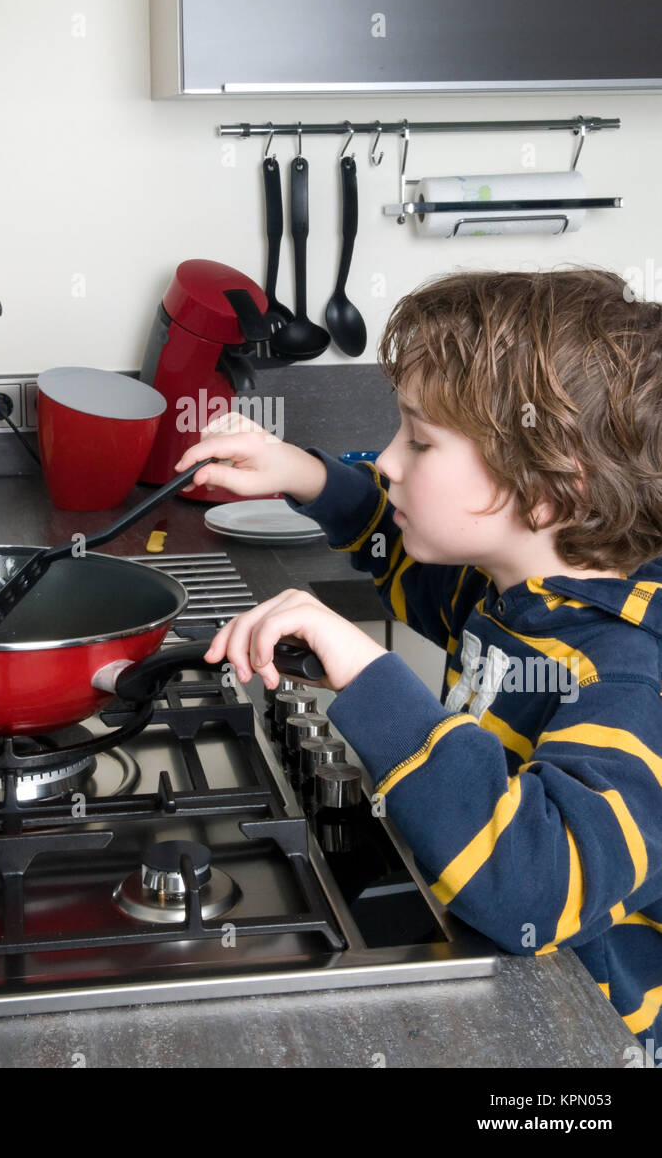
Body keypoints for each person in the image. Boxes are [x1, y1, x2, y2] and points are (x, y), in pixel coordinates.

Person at [174, 267, 662, 1059]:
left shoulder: (631, 679)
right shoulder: (516, 590)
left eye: (420, 441)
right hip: (500, 981)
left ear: (544, 494)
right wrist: (302, 474)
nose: (390, 461)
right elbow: (403, 540)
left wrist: (374, 682)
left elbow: (533, 884)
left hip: (584, 1039)